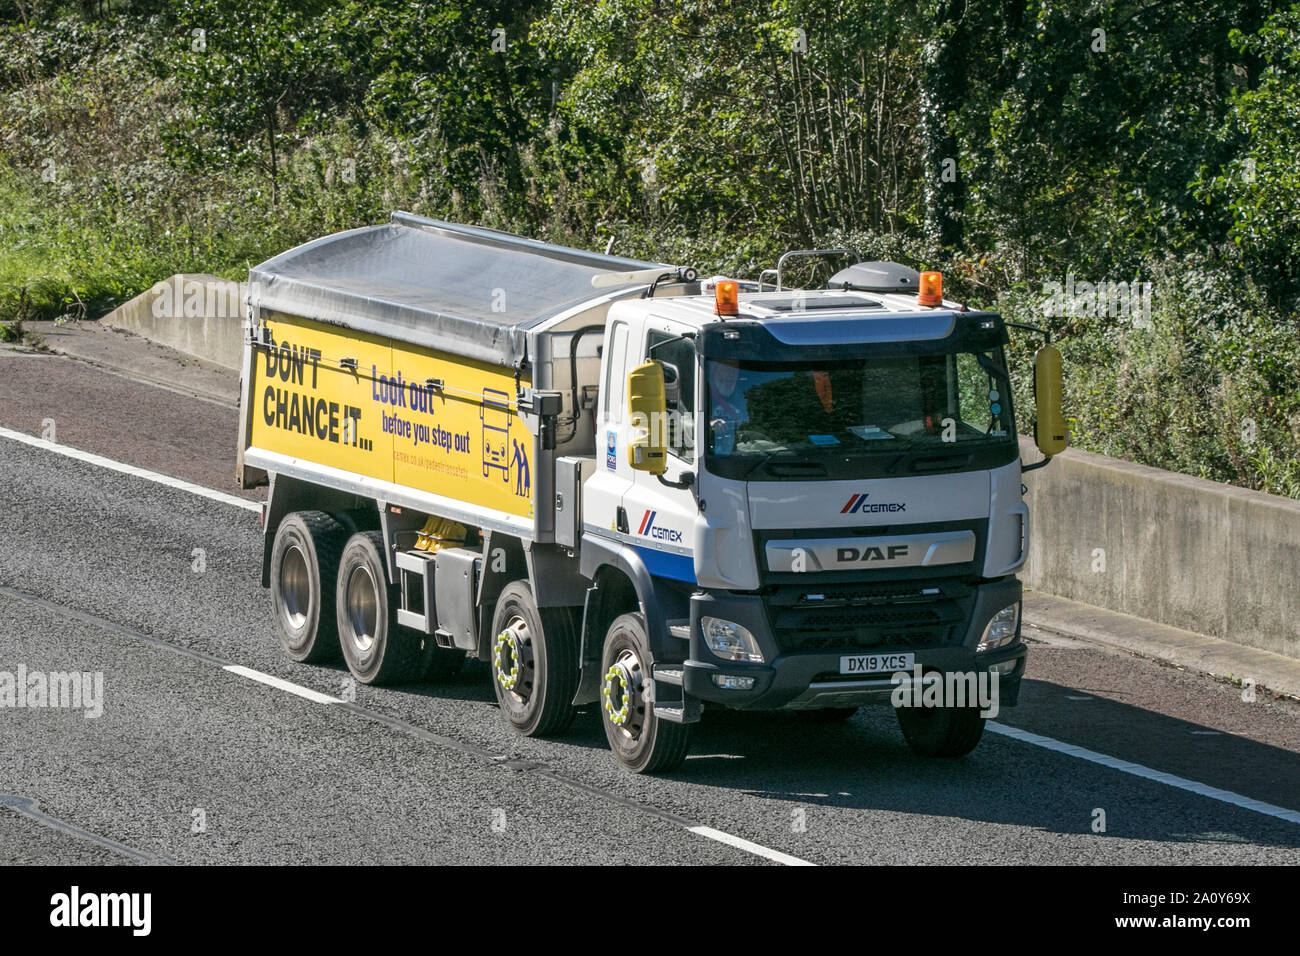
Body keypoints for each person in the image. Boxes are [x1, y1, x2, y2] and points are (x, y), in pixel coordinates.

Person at [708, 359, 744, 454]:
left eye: (735, 369)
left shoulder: (743, 394)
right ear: (714, 370)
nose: (731, 372)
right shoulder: (700, 392)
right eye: (727, 367)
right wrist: (710, 425)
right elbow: (683, 419)